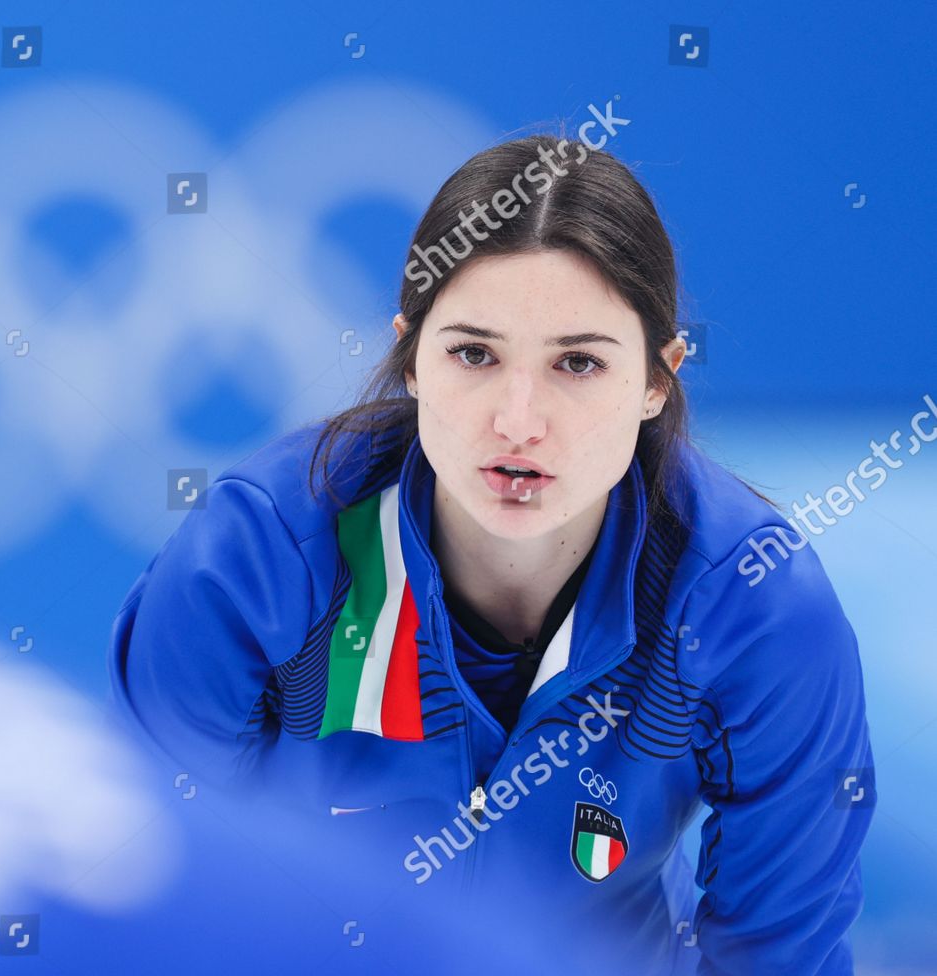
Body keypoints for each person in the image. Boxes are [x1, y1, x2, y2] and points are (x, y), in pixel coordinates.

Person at [107, 134, 876, 974]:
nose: (518, 420)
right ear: (411, 357)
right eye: (474, 354)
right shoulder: (261, 555)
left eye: (578, 363)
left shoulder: (753, 607)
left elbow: (782, 955)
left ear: (660, 379)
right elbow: (127, 883)